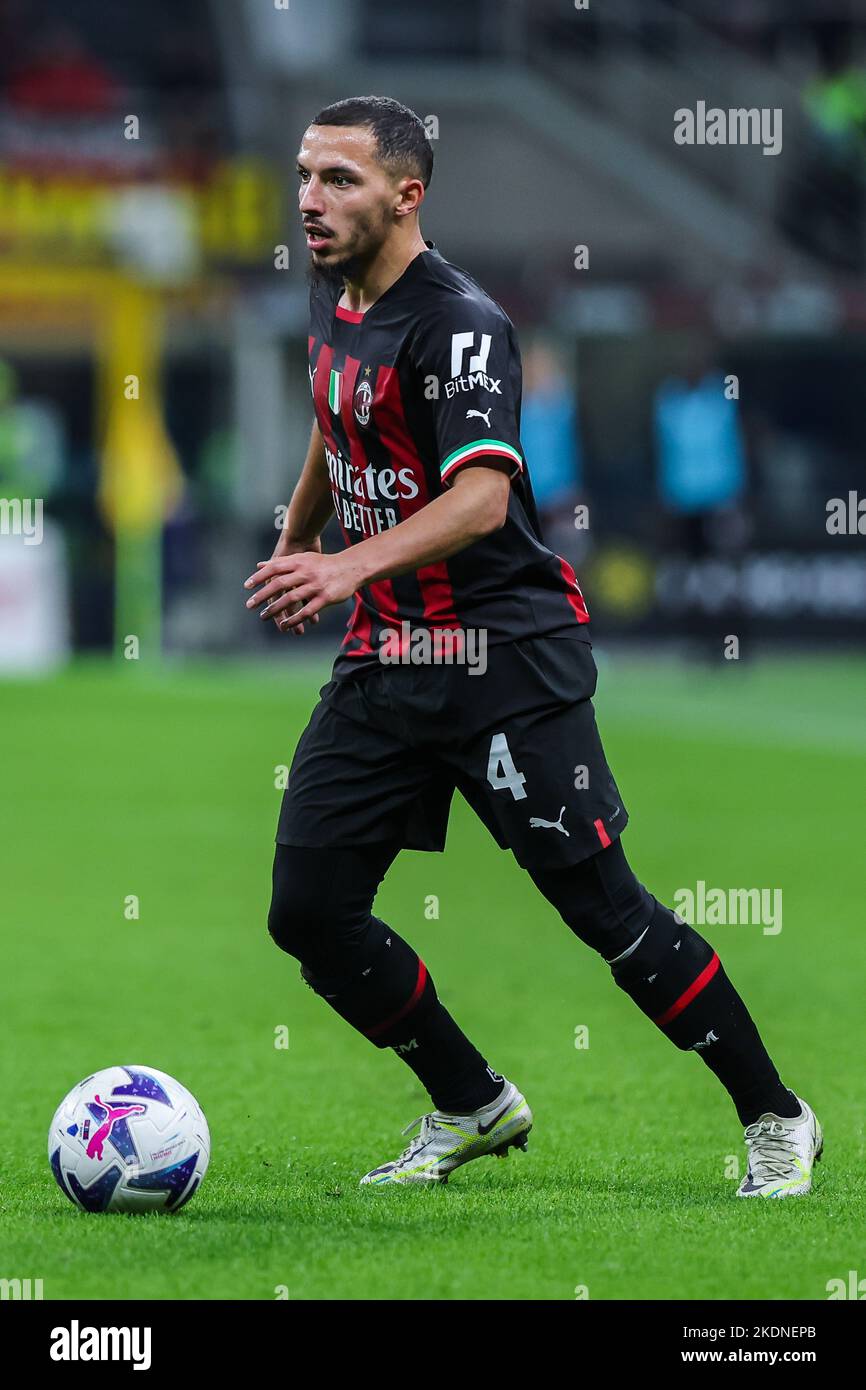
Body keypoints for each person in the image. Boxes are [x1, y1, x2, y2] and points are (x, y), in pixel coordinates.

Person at [246, 96, 821, 1195]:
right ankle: (470, 1100)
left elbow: (478, 498)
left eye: (339, 181)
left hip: (502, 657)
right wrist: (299, 535)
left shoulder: (460, 323)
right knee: (306, 912)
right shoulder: (331, 288)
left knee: (604, 912)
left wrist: (342, 567)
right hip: (386, 658)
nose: (309, 201)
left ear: (406, 196)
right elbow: (336, 417)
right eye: (305, 175)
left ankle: (775, 1115)